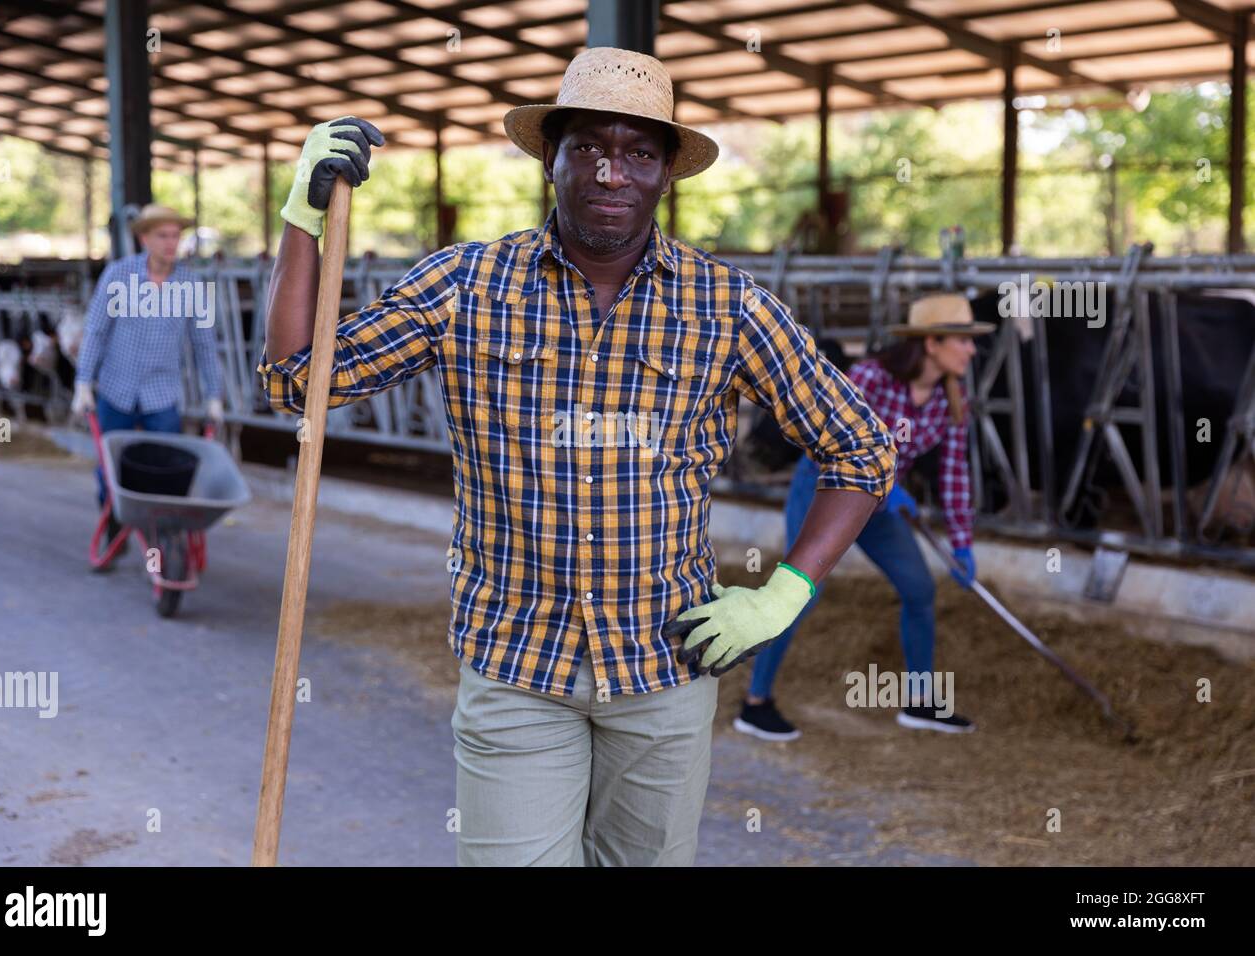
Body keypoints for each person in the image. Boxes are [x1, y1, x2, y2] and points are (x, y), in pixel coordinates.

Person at [259, 47, 896, 867]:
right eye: (588, 147)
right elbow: (299, 381)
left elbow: (863, 449)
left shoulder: (726, 306)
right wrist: (302, 219)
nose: (610, 172)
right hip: (517, 667)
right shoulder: (467, 286)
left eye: (637, 152)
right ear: (550, 159)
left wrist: (782, 595)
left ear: (668, 173)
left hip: (664, 668)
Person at [736, 293, 994, 741]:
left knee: (918, 588)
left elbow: (954, 474)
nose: (972, 350)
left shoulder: (950, 399)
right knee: (797, 594)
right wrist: (888, 487)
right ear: (932, 343)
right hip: (825, 492)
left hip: (879, 508)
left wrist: (962, 542)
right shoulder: (871, 377)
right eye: (963, 340)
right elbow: (828, 440)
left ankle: (919, 700)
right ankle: (754, 704)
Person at [71, 204, 224, 552]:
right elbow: (95, 331)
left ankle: (163, 538)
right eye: (162, 236)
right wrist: (83, 383)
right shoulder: (117, 275)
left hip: (161, 394)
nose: (171, 244)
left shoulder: (191, 284)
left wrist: (214, 395)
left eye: (175, 236)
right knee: (109, 469)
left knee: (165, 470)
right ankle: (113, 521)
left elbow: (204, 343)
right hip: (116, 389)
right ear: (144, 238)